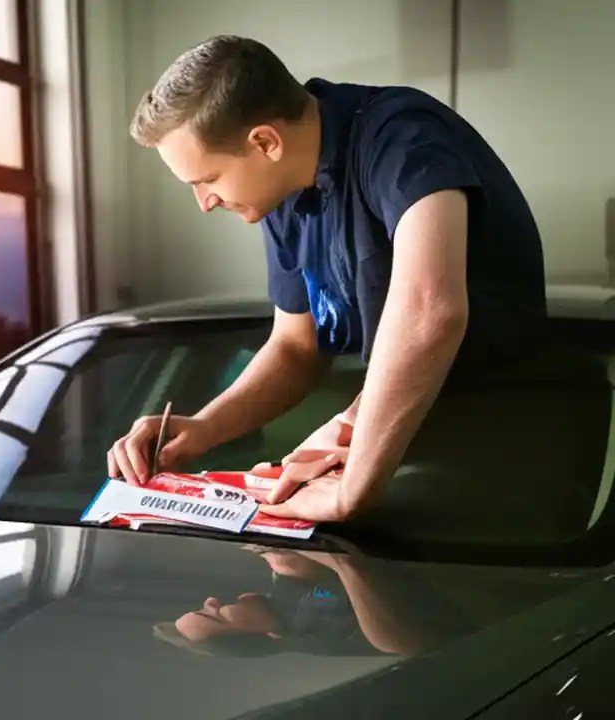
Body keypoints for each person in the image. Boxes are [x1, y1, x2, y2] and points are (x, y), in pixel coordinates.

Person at [106, 35, 547, 522]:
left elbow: (430, 313)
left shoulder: (403, 138)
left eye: (208, 179)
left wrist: (352, 490)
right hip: (398, 445)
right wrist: (205, 426)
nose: (205, 202)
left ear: (265, 142)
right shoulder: (281, 192)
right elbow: (297, 347)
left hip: (505, 450)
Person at [153, 546, 469, 657]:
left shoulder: (283, 600)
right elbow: (400, 640)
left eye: (204, 606)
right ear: (255, 636)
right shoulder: (312, 632)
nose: (212, 601)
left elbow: (292, 568)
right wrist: (341, 564)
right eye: (214, 615)